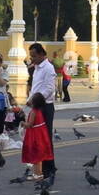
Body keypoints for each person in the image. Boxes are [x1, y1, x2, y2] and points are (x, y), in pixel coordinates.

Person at [27, 43, 58, 179]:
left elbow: (49, 89)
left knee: (45, 138)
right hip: (37, 104)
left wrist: (36, 100)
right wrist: (30, 99)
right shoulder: (37, 68)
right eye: (31, 56)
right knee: (37, 138)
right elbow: (36, 87)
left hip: (45, 106)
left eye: (34, 56)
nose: (32, 58)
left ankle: (49, 168)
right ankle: (40, 167)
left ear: (41, 54)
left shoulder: (48, 68)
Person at [21, 92, 53, 180]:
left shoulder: (33, 112)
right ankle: (38, 173)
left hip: (35, 135)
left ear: (34, 102)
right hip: (41, 134)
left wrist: (23, 123)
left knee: (36, 157)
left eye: (31, 99)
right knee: (39, 156)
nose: (29, 99)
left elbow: (30, 124)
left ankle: (38, 175)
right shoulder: (38, 110)